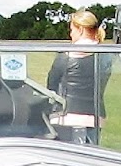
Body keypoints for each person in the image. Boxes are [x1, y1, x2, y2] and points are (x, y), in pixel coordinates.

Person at [46, 10, 110, 144]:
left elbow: (51, 85)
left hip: (65, 116)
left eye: (72, 30)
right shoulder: (106, 56)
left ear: (80, 29)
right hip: (95, 117)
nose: (70, 34)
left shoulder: (65, 56)